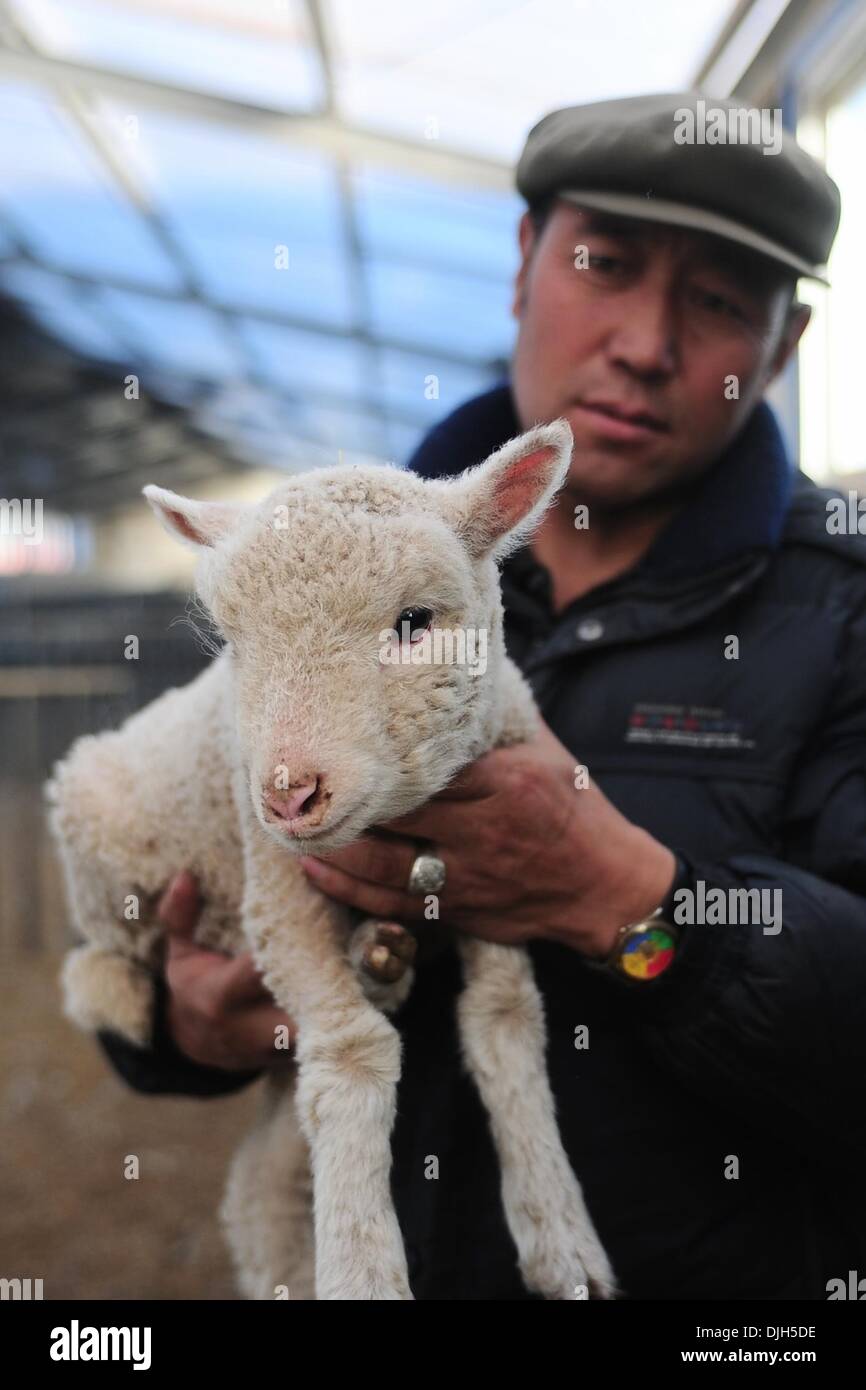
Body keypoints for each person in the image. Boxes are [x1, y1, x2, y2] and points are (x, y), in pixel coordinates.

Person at [96, 93, 866, 1300]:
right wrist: (172, 1024)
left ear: (782, 347)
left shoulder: (842, 613)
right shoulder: (323, 561)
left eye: (718, 299)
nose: (645, 343)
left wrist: (629, 905)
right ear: (523, 263)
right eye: (602, 263)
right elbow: (191, 902)